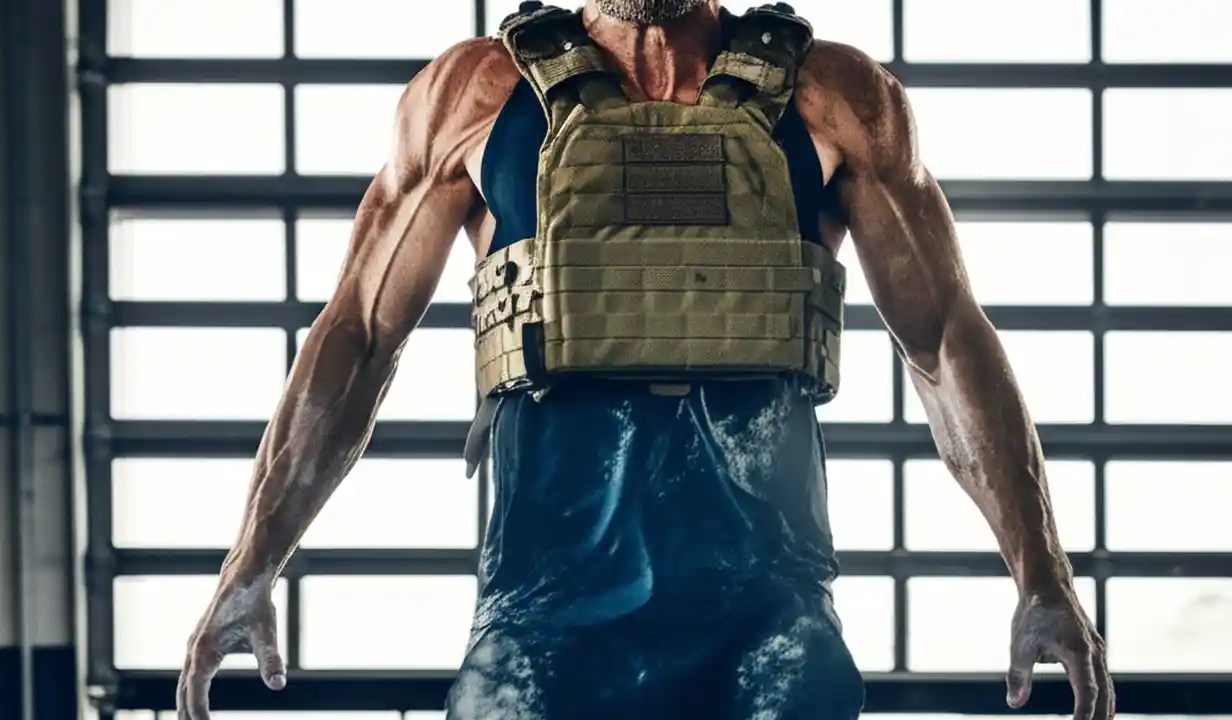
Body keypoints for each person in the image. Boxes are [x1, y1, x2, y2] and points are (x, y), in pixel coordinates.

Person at [175, 2, 1115, 719]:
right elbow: (358, 339)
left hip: (770, 621)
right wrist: (250, 566)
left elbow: (947, 341)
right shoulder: (473, 96)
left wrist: (1043, 575)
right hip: (540, 621)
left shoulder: (835, 94)